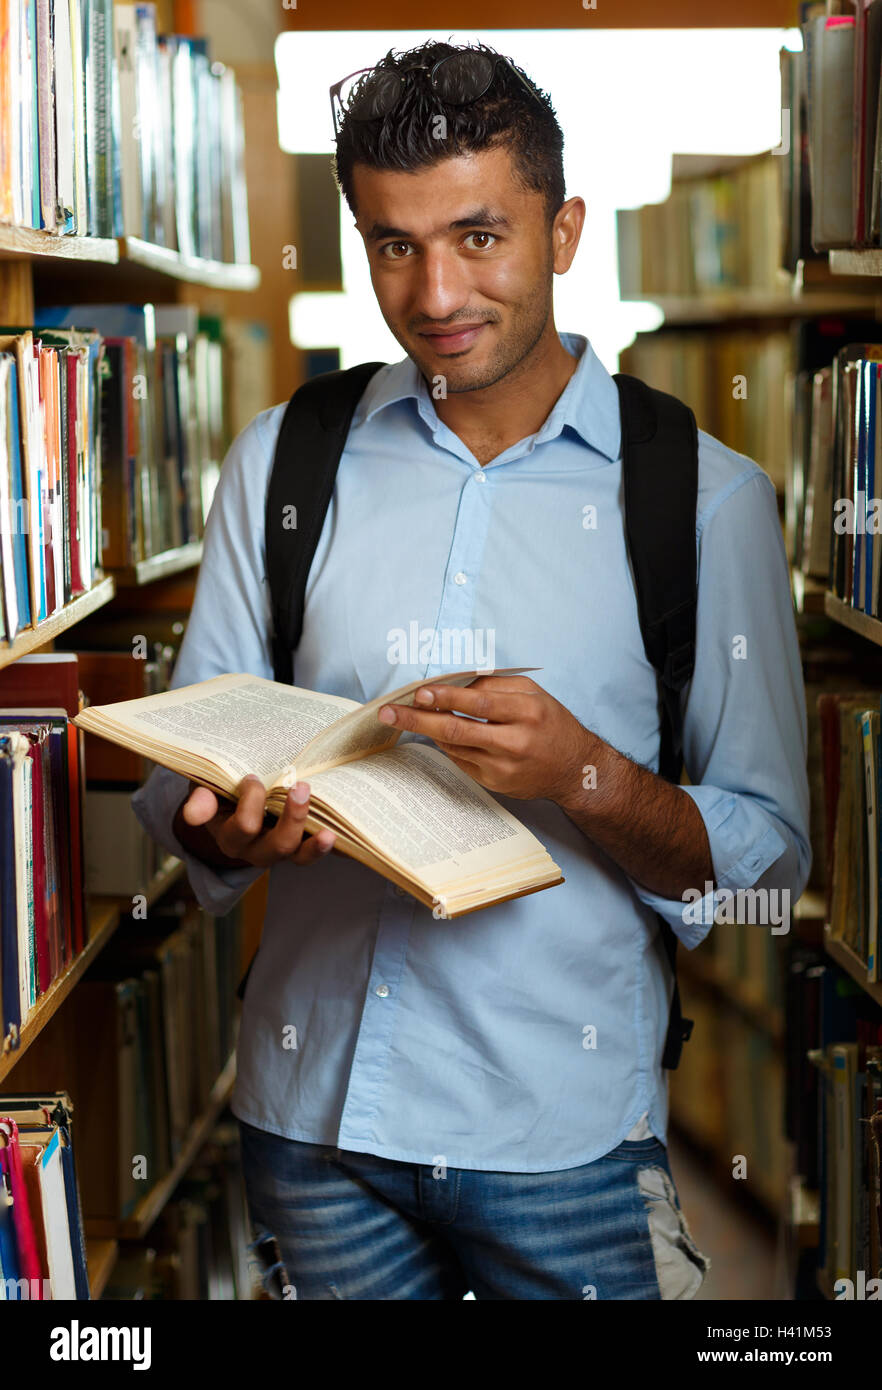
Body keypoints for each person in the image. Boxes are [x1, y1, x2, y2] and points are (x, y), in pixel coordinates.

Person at [132, 38, 810, 1300]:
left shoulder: (704, 501)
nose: (435, 291)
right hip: (317, 1127)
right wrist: (235, 830)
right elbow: (186, 781)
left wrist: (585, 774)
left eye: (480, 237)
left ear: (563, 232)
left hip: (568, 1145)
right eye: (393, 244)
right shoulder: (284, 465)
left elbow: (765, 854)